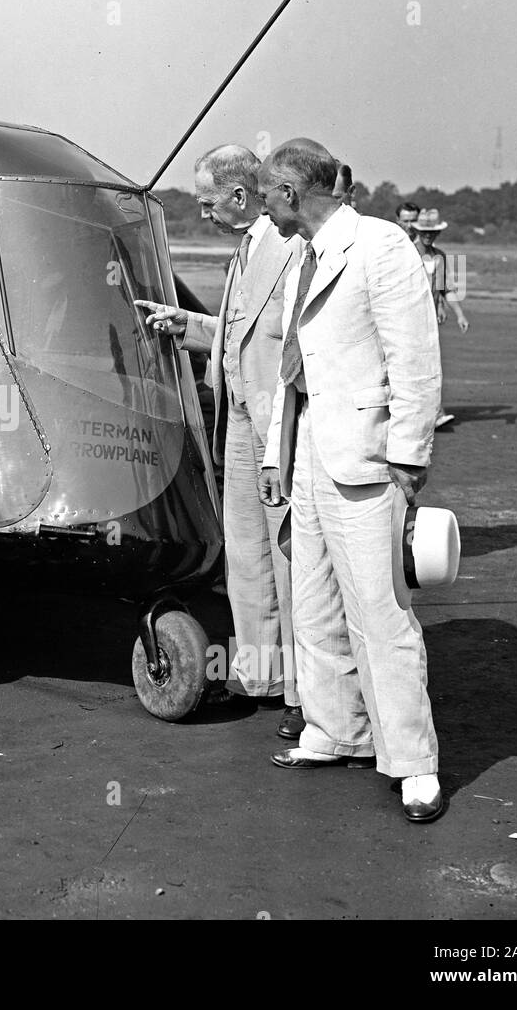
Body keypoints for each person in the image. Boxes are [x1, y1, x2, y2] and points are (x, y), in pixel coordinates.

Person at [256, 138, 446, 824]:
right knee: (313, 602)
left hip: (364, 455)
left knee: (381, 612)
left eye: (267, 195)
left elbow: (414, 354)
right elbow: (293, 361)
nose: (263, 207)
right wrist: (279, 452)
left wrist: (410, 452)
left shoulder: (381, 245)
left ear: (289, 193)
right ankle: (337, 732)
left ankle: (414, 763)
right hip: (309, 450)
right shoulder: (301, 255)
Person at [135, 144, 302, 737]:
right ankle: (264, 681)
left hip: (275, 430)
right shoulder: (247, 249)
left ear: (238, 195)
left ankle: (306, 697)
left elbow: (293, 343)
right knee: (249, 561)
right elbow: (241, 332)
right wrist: (187, 325)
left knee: (288, 559)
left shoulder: (291, 247)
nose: (202, 213)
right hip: (237, 424)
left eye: (207, 203)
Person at [413, 208, 468, 429]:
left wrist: (459, 314)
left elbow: (445, 288)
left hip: (429, 321)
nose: (428, 235)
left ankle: (434, 413)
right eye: (425, 231)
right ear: (418, 231)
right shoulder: (407, 252)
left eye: (432, 232)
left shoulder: (439, 257)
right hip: (407, 318)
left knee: (430, 365)